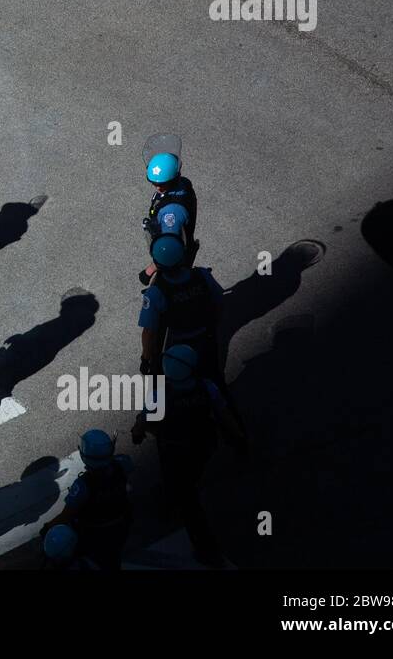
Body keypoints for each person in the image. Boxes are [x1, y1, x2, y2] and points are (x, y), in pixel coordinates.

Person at [132, 345, 248, 567]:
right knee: (190, 477)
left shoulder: (161, 394)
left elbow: (143, 422)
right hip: (203, 445)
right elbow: (224, 415)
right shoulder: (207, 387)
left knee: (188, 501)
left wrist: (137, 433)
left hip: (174, 449)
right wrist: (238, 436)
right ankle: (173, 495)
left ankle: (206, 548)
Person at [139, 234, 225, 385]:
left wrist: (146, 359)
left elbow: (149, 332)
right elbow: (219, 300)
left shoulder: (155, 293)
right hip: (207, 337)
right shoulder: (203, 275)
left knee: (173, 383)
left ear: (158, 264)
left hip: (176, 343)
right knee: (214, 379)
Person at [42, 429, 133, 570]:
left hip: (93, 535)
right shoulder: (123, 463)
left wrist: (47, 528)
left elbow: (66, 516)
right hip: (121, 526)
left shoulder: (83, 486)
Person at [140, 150, 198, 283]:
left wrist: (149, 271)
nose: (156, 187)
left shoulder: (171, 214)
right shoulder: (182, 184)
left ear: (173, 178)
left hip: (175, 265)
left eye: (161, 184)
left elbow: (170, 251)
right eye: (154, 182)